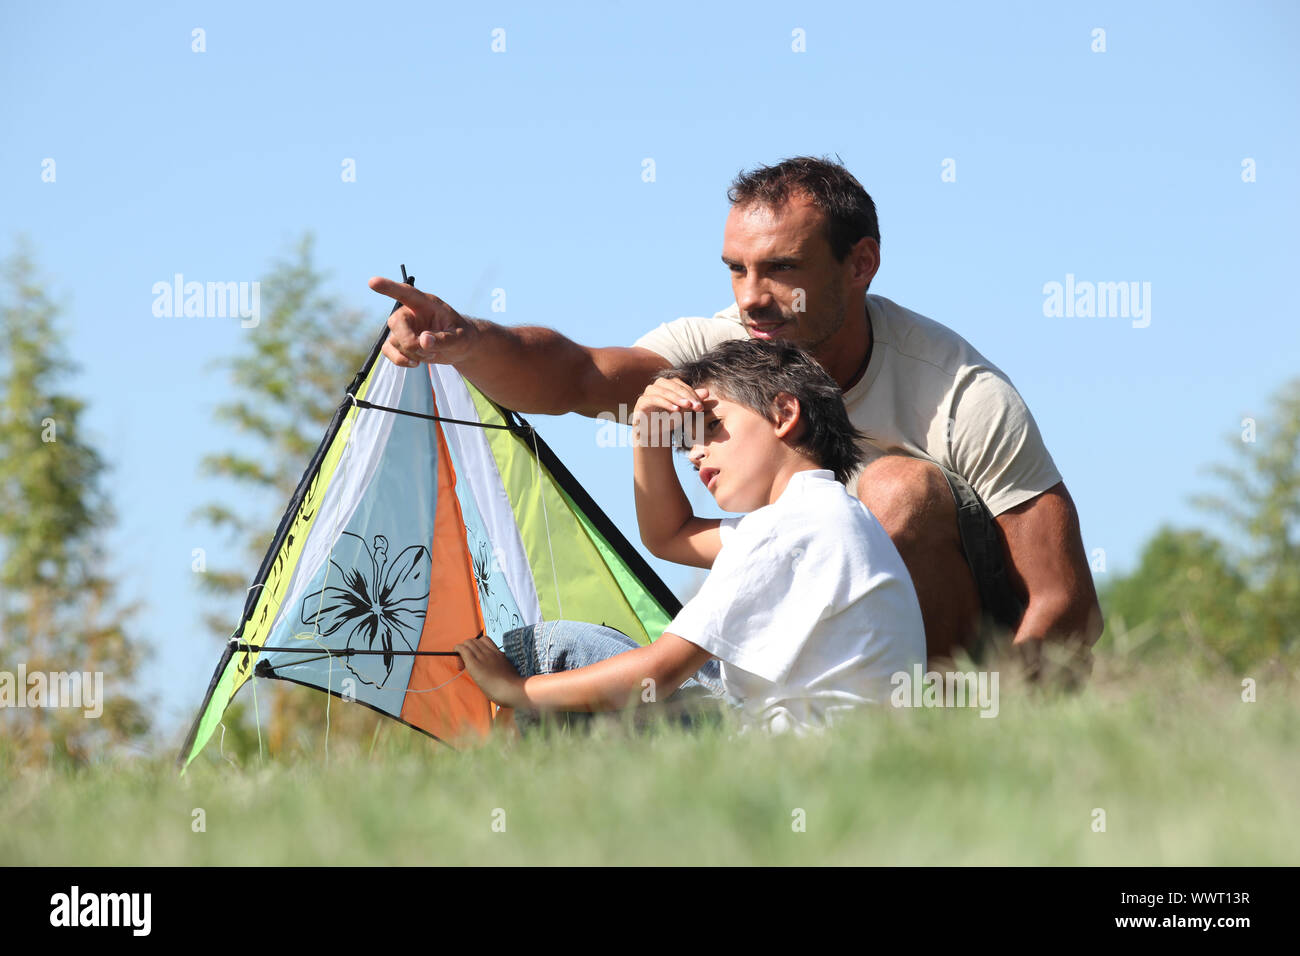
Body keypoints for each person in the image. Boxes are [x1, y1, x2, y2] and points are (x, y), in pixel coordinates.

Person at [373, 156, 1102, 680]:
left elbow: (1065, 603)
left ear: (861, 264)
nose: (751, 298)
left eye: (781, 269)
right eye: (736, 268)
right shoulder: (726, 355)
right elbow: (576, 376)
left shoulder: (961, 392)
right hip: (786, 690)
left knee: (891, 493)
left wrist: (995, 733)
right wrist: (468, 341)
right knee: (547, 650)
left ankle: (924, 752)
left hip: (970, 674)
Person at [453, 339, 926, 732]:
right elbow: (668, 535)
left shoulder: (783, 529)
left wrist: (513, 689)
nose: (696, 454)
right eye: (685, 442)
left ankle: (485, 800)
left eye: (712, 427)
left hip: (790, 755)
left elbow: (656, 674)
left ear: (784, 414)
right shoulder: (826, 514)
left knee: (558, 649)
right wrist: (647, 436)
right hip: (836, 743)